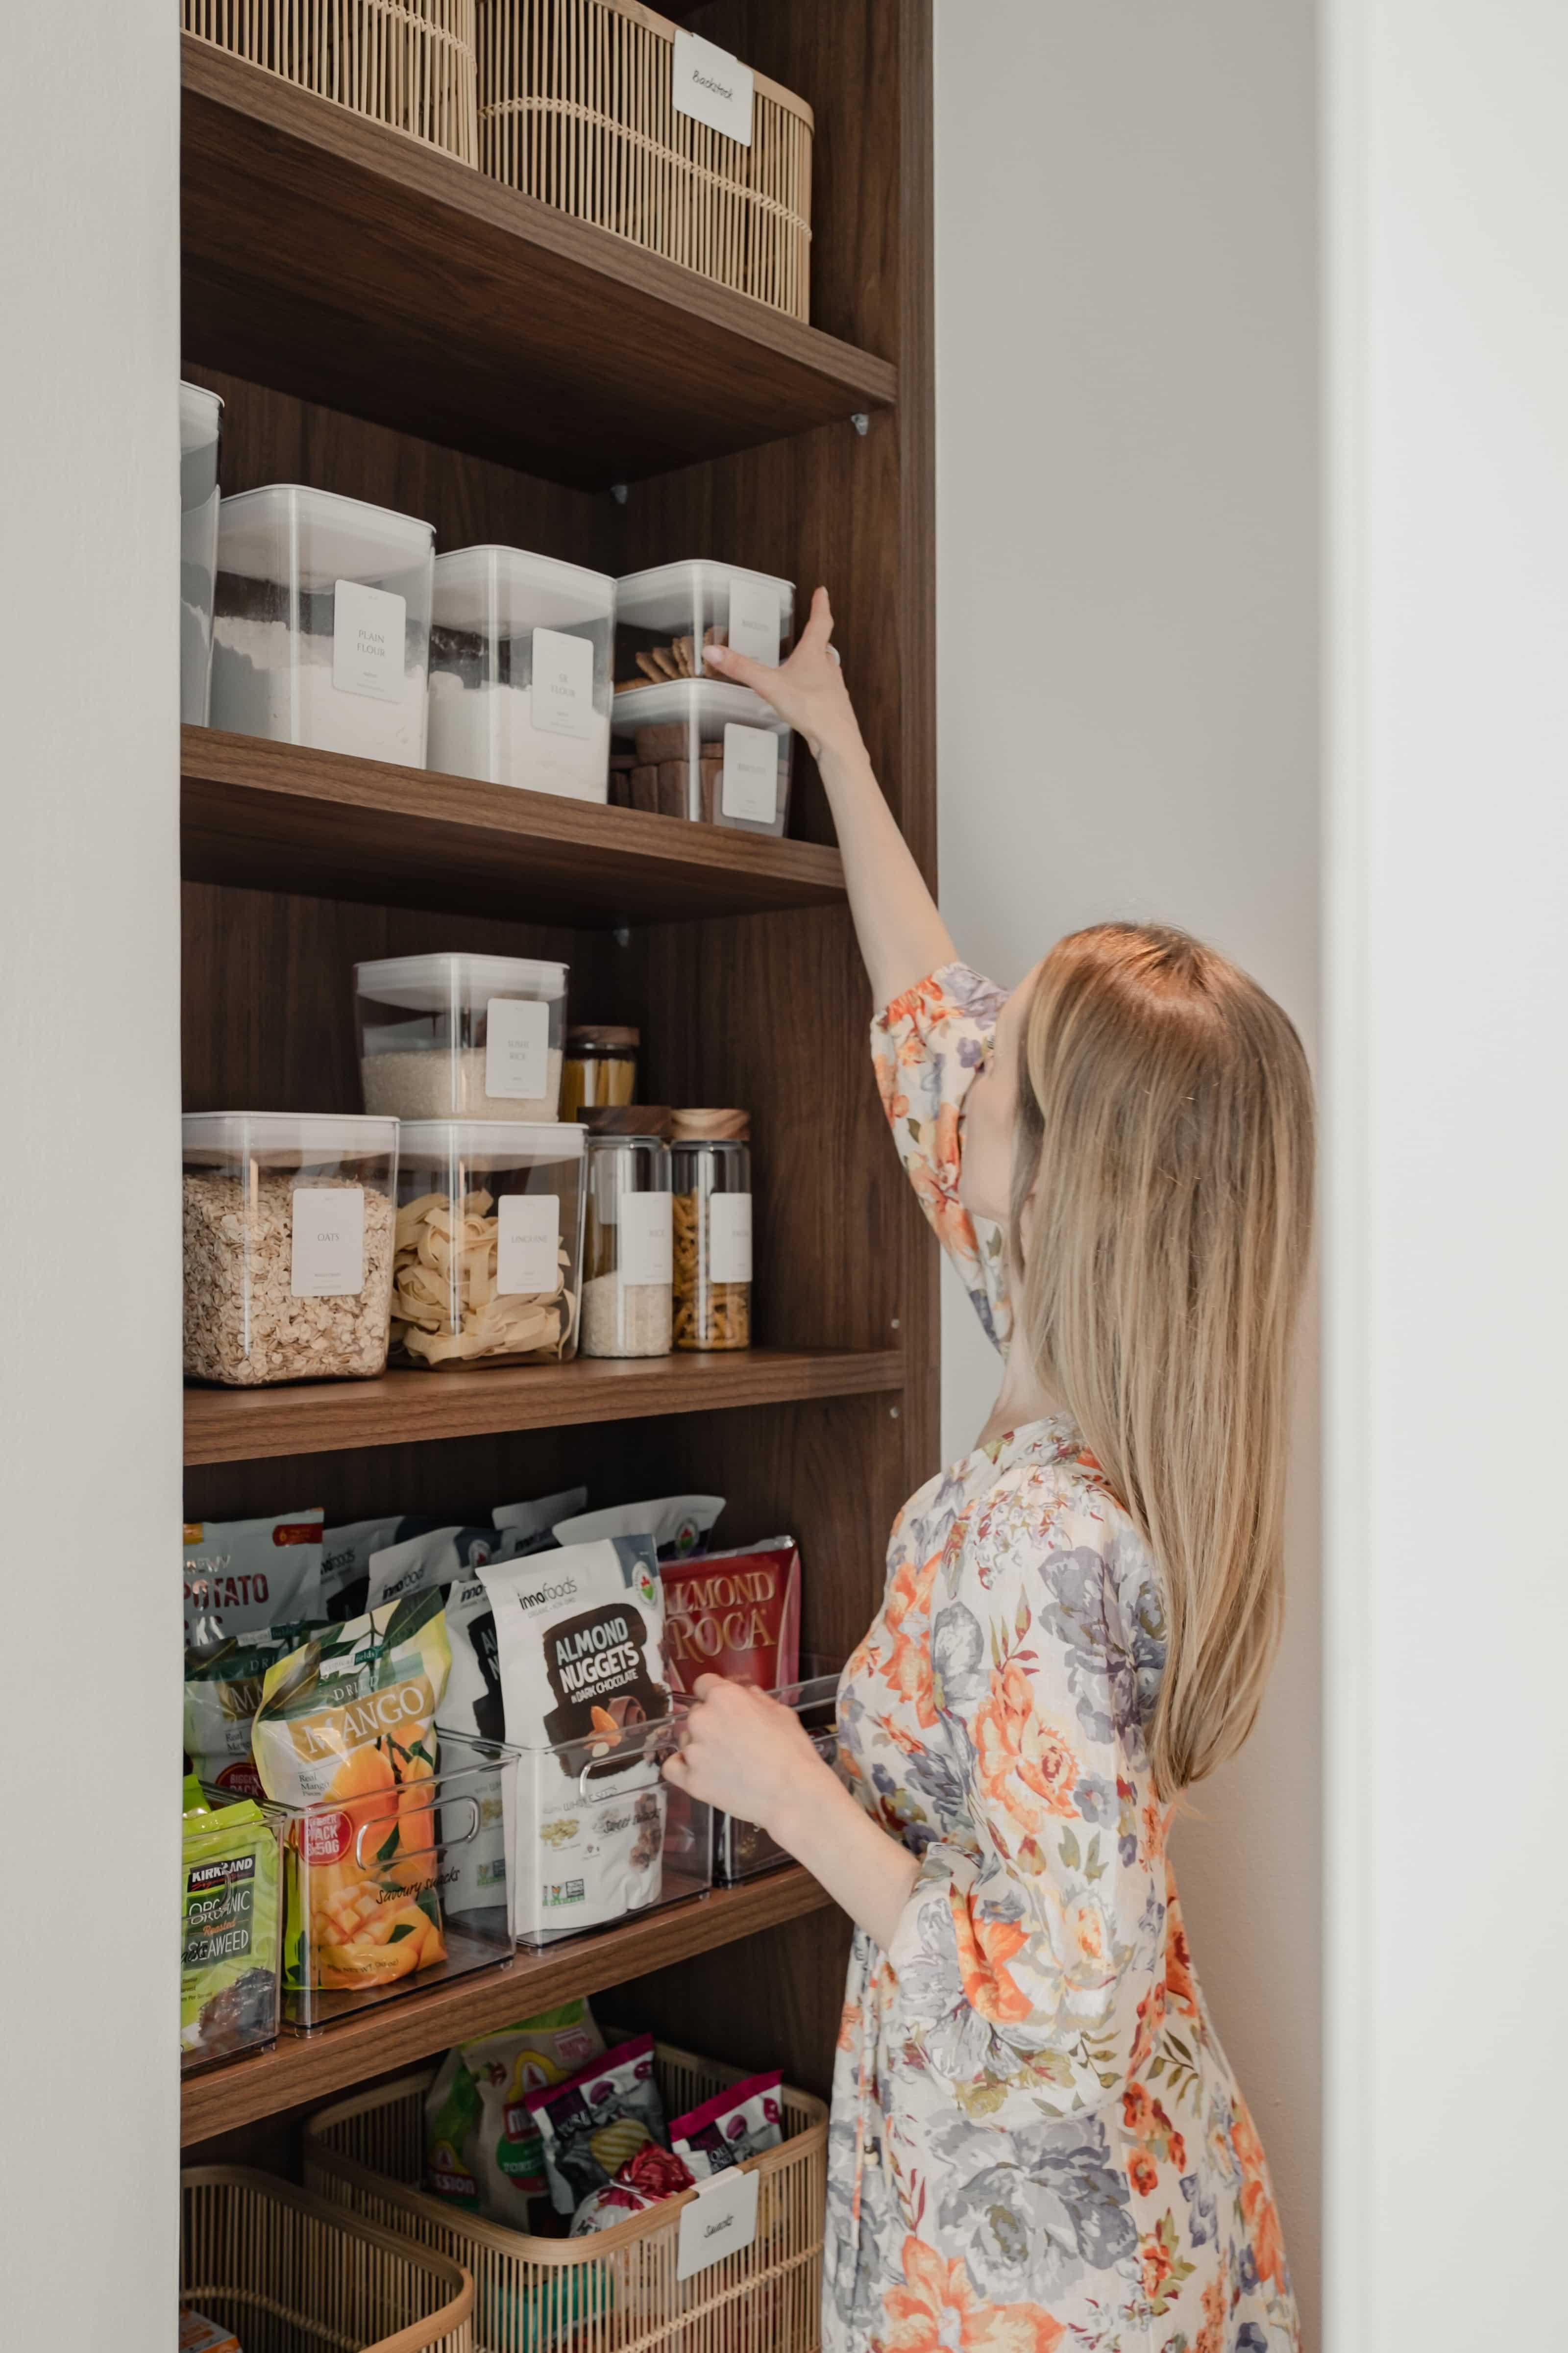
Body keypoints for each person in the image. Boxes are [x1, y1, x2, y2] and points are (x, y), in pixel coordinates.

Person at [663, 589, 1311, 2353]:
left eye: (1006, 1080)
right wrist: (833, 738)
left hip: (1047, 2283)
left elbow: (1051, 2013)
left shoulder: (1051, 1548)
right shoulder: (1082, 1344)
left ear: (1066, 1187)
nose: (967, 1083)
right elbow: (922, 1011)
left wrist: (792, 1791)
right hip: (1119, 2224)